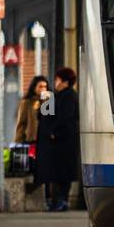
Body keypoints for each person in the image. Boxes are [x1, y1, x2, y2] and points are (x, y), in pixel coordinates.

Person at [36, 67, 79, 211]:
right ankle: (55, 200)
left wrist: (54, 132)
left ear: (65, 82)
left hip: (63, 140)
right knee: (55, 172)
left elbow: (66, 118)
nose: (55, 82)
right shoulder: (53, 96)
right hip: (54, 141)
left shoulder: (69, 96)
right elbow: (44, 117)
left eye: (58, 79)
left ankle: (62, 200)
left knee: (63, 172)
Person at [14, 76, 48, 145]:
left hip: (46, 140)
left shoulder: (49, 101)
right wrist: (18, 141)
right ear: (34, 88)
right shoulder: (26, 102)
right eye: (40, 86)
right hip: (32, 140)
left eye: (45, 86)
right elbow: (21, 123)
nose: (43, 89)